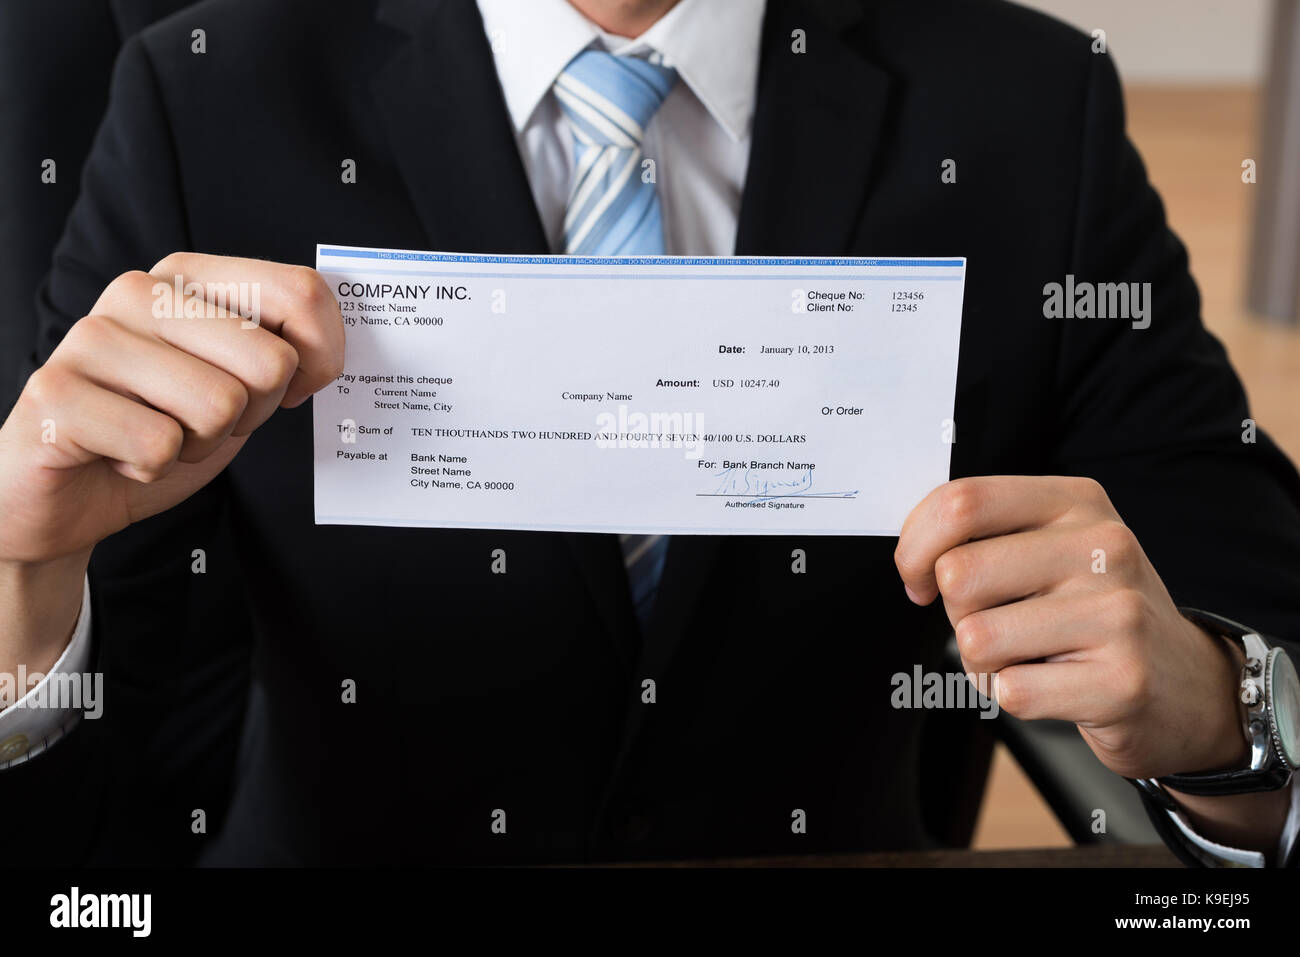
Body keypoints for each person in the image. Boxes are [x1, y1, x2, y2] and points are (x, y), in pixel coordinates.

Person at [1, 0, 1298, 866]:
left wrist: (1225, 719)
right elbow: (93, 800)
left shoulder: (1027, 103)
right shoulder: (204, 90)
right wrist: (20, 592)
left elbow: (1248, 576)